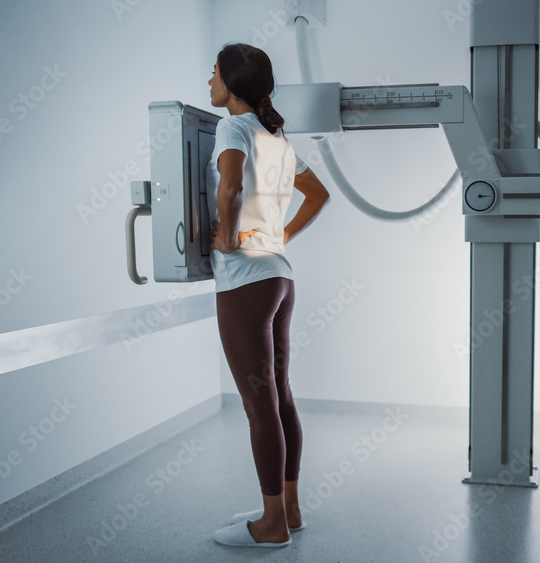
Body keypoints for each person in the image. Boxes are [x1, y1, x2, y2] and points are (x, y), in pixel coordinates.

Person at [207, 43, 329, 549]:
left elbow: (231, 189)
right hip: (279, 277)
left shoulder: (234, 127)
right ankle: (290, 510)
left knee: (259, 407)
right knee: (280, 397)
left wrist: (229, 239)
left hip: (246, 282)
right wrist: (276, 237)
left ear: (232, 81)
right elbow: (319, 195)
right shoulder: (276, 137)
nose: (209, 82)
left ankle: (271, 524)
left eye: (214, 74)